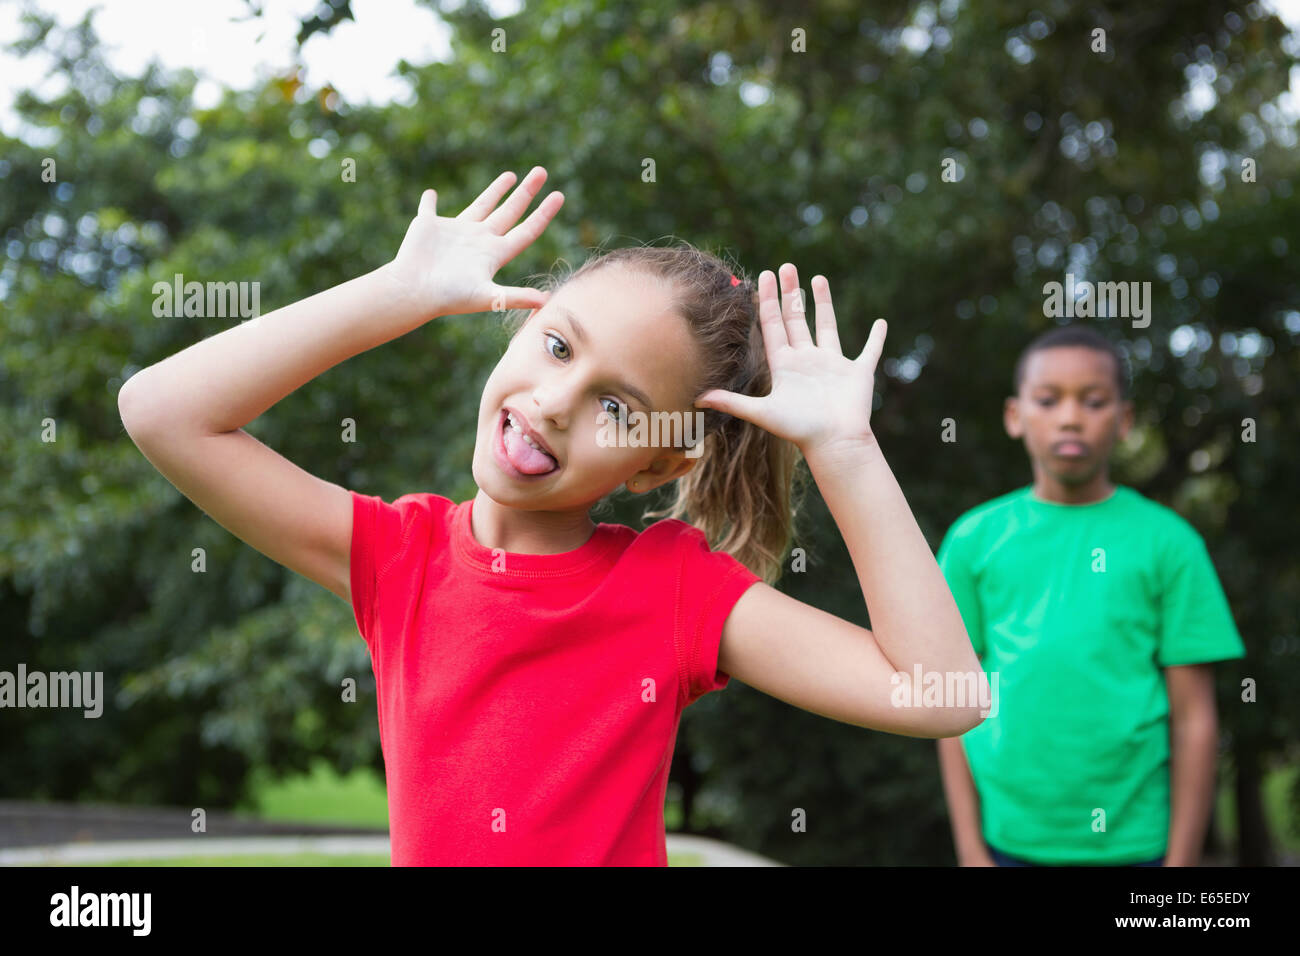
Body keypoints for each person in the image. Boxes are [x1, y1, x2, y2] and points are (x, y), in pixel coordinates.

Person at [119, 166, 984, 865]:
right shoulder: (401, 556)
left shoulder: (671, 589)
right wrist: (396, 292)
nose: (558, 400)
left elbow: (939, 697)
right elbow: (163, 413)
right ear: (514, 329)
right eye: (559, 345)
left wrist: (844, 449)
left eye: (617, 405)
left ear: (656, 465)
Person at [935, 325, 1245, 867]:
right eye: (1049, 400)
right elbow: (949, 700)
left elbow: (1195, 719)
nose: (1071, 417)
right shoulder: (972, 539)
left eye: (1094, 401)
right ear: (1015, 416)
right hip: (1006, 844)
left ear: (1124, 421)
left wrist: (1181, 865)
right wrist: (969, 850)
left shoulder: (1169, 543)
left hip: (1136, 848)